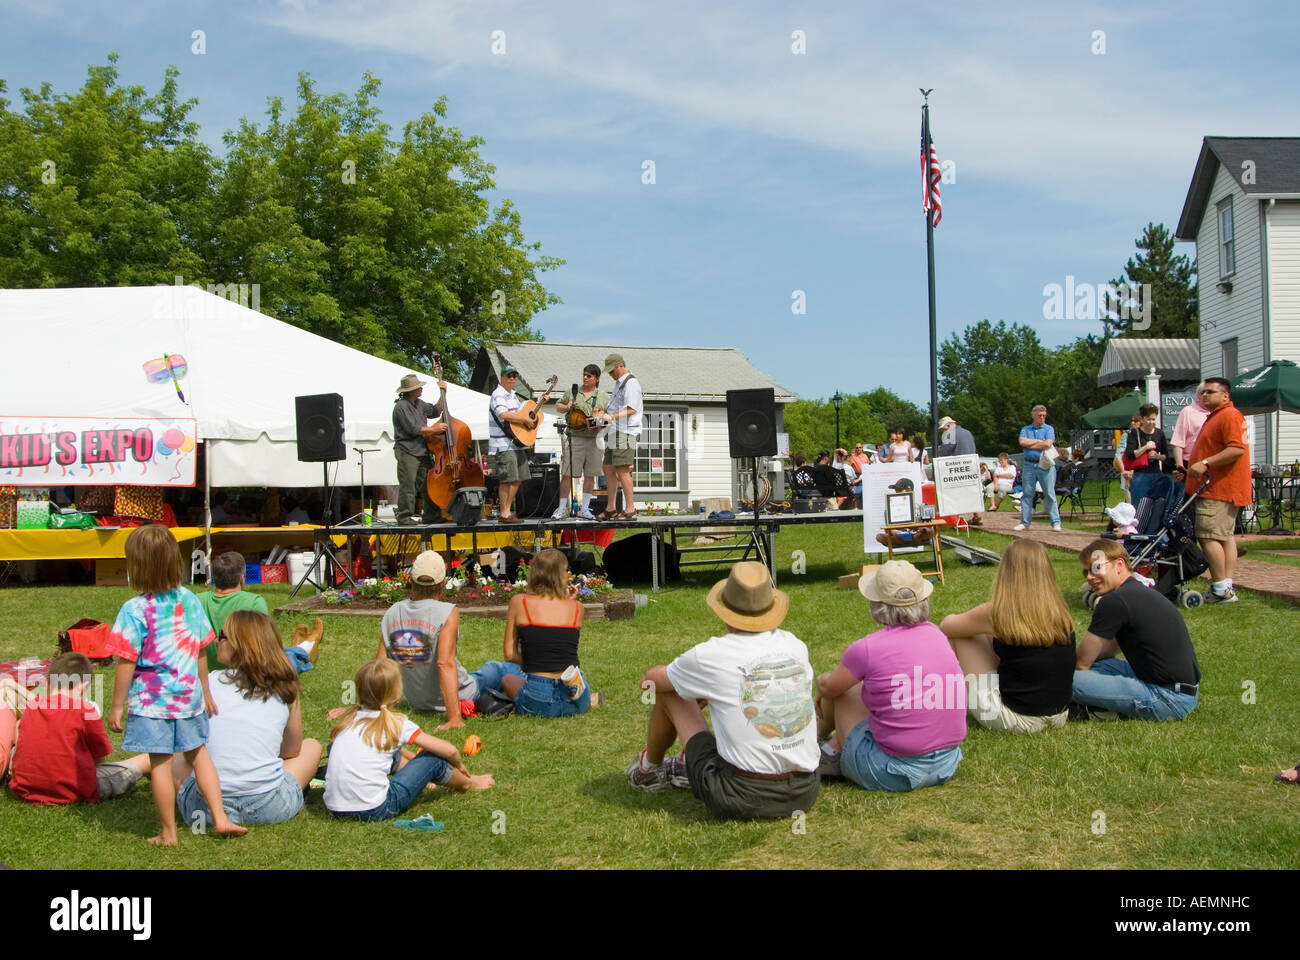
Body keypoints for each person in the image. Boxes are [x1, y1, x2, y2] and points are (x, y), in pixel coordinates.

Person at [625, 561, 819, 820]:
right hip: (805, 791)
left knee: (670, 690)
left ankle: (649, 769)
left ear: (726, 613)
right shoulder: (795, 645)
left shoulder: (712, 655)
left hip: (740, 794)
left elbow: (650, 681)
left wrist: (692, 691)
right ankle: (680, 764)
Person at [104, 523, 247, 844]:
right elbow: (199, 650)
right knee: (199, 755)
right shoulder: (189, 600)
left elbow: (126, 661)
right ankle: (221, 818)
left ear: (135, 567)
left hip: (151, 704)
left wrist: (116, 705)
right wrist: (206, 692)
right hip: (189, 698)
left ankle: (169, 832)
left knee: (160, 765)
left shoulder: (133, 610)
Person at [815, 561, 964, 790]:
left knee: (845, 689)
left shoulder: (867, 648)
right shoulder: (938, 635)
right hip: (946, 763)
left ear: (876, 604)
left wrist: (822, 680)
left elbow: (830, 689)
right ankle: (831, 746)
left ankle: (822, 748)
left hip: (890, 770)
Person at [174, 611, 322, 826]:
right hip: (269, 806)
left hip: (204, 809)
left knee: (179, 750)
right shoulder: (284, 687)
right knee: (312, 746)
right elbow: (291, 750)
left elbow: (188, 750)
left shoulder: (204, 685)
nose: (216, 641)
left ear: (240, 644)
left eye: (222, 636)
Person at [324, 658, 494, 821]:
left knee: (391, 752)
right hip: (376, 809)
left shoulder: (349, 720)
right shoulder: (397, 723)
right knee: (434, 759)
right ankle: (468, 783)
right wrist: (460, 766)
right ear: (396, 695)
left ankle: (421, 779)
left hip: (335, 808)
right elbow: (448, 749)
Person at [939, 540, 1075, 733]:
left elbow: (947, 626)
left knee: (963, 637)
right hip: (1059, 714)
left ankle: (949, 703)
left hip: (1016, 718)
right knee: (982, 633)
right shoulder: (1059, 612)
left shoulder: (999, 612)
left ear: (1007, 571)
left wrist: (979, 626)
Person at [378, 550, 523, 729]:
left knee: (483, 672)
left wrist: (364, 707)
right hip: (462, 694)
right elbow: (444, 663)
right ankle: (542, 686)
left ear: (411, 580)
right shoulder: (447, 612)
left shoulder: (393, 611)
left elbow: (379, 665)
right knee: (499, 668)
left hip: (418, 702)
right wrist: (454, 717)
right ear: (443, 583)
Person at [1072, 538, 1200, 720]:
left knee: (1065, 679)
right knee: (1099, 665)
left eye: (1096, 568)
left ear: (1119, 564)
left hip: (1168, 698)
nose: (1090, 577)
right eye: (1086, 572)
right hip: (1183, 691)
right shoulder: (1138, 592)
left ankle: (1100, 711)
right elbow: (1109, 650)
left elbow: (1081, 662)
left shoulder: (1114, 602)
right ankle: (1102, 707)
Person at [7, 652, 150, 805]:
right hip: (75, 789)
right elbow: (99, 760)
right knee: (147, 759)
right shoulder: (86, 711)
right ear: (83, 687)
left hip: (25, 788)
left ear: (47, 684)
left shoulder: (32, 706)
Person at [501, 548, 592, 717]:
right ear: (560, 575)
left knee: (507, 679)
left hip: (538, 697)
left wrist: (534, 663)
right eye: (566, 571)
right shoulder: (577, 608)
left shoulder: (519, 602)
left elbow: (509, 654)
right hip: (576, 694)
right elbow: (559, 643)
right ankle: (590, 699)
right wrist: (569, 601)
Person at [201, 551, 323, 674]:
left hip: (207, 670)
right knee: (285, 656)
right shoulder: (254, 602)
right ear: (242, 578)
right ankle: (306, 647)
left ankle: (304, 646)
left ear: (214, 578)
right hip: (249, 670)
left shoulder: (198, 600)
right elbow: (266, 645)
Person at [1184, 377, 1250, 603]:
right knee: (1224, 537)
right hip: (1217, 486)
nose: (1203, 395)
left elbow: (1237, 449)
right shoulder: (1217, 416)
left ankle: (1221, 588)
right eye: (1202, 392)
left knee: (1209, 536)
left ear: (1225, 396)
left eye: (1209, 392)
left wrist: (1206, 463)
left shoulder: (1229, 415)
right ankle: (1225, 586)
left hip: (1219, 489)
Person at [552, 363, 609, 521]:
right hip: (574, 437)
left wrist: (601, 418)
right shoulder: (573, 391)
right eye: (584, 374)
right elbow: (558, 406)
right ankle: (562, 508)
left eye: (589, 376)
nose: (585, 378)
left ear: (596, 379)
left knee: (590, 474)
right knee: (568, 473)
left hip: (594, 440)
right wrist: (567, 406)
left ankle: (585, 509)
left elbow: (608, 417)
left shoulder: (603, 396)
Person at [393, 372, 449, 526]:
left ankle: (431, 516)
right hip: (407, 451)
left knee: (429, 485)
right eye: (418, 387)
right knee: (408, 485)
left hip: (422, 451)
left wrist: (443, 392)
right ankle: (404, 517)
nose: (421, 389)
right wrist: (434, 429)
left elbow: (436, 410)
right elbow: (413, 429)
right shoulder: (401, 407)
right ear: (409, 390)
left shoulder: (420, 403)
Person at [488, 365, 535, 523]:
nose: (512, 379)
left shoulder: (514, 395)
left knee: (518, 477)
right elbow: (504, 414)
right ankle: (504, 513)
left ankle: (508, 510)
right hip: (502, 442)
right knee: (507, 479)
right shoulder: (498, 394)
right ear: (502, 377)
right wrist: (523, 420)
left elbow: (521, 414)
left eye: (514, 376)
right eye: (509, 376)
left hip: (516, 442)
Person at [600, 353, 643, 520]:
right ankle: (611, 508)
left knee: (623, 470)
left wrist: (611, 417)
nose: (610, 375)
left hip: (627, 432)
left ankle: (630, 509)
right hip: (615, 431)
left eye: (612, 371)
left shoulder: (631, 383)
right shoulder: (619, 384)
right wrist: (603, 414)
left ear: (620, 366)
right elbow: (614, 408)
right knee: (608, 468)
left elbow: (632, 409)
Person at [1015, 404, 1061, 531]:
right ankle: (1025, 522)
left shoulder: (1049, 429)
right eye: (1039, 415)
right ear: (1033, 415)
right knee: (1027, 494)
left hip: (1044, 464)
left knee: (1050, 493)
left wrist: (1032, 443)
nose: (1042, 418)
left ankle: (1055, 522)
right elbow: (1022, 442)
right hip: (1029, 464)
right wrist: (1040, 443)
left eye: (1044, 416)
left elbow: (1048, 444)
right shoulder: (1026, 429)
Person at [1124, 403, 1171, 506]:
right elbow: (1130, 454)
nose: (1151, 422)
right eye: (1148, 419)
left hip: (1156, 473)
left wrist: (1157, 456)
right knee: (1139, 505)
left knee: (1158, 505)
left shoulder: (1159, 433)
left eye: (1153, 419)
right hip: (1140, 475)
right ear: (1142, 419)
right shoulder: (1134, 433)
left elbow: (1166, 456)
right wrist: (1146, 447)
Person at [1170, 384, 1214, 472]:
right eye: (1202, 393)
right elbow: (1178, 442)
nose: (1205, 395)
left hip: (1213, 463)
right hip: (1191, 462)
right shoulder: (1188, 412)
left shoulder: (1218, 412)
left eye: (1209, 393)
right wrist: (1180, 467)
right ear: (1198, 395)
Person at [1114, 412, 1144, 503]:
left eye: (1136, 421)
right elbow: (1118, 454)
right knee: (1130, 500)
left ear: (1141, 422)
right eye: (1131, 421)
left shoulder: (1145, 435)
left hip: (1142, 470)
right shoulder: (1127, 435)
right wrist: (1124, 471)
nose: (1133, 423)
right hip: (1128, 469)